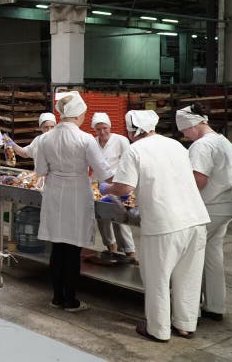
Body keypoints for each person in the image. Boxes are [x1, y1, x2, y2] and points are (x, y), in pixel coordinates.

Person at [105, 110, 210, 342]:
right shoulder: (176, 145)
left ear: (133, 130)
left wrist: (106, 189)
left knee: (157, 278)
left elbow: (124, 188)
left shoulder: (135, 150)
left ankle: (159, 330)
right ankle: (185, 325)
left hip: (164, 224)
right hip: (195, 219)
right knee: (188, 277)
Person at [34, 92, 113, 312]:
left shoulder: (45, 138)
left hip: (54, 193)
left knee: (57, 247)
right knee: (72, 249)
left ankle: (57, 297)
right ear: (78, 114)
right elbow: (104, 172)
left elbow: (40, 171)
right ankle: (71, 300)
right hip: (77, 193)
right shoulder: (85, 139)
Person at [176, 104, 232, 322]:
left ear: (193, 124)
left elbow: (198, 180)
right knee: (213, 256)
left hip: (209, 207)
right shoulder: (224, 142)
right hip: (228, 205)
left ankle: (187, 313)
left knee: (189, 258)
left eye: (184, 131)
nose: (184, 136)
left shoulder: (202, 146)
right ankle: (215, 306)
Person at [91, 112, 135, 264]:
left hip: (118, 186)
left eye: (104, 128)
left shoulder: (121, 140)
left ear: (109, 127)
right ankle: (111, 249)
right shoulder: (93, 142)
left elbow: (129, 163)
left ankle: (130, 253)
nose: (102, 132)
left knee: (120, 220)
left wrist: (126, 185)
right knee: (102, 219)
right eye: (98, 129)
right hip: (98, 186)